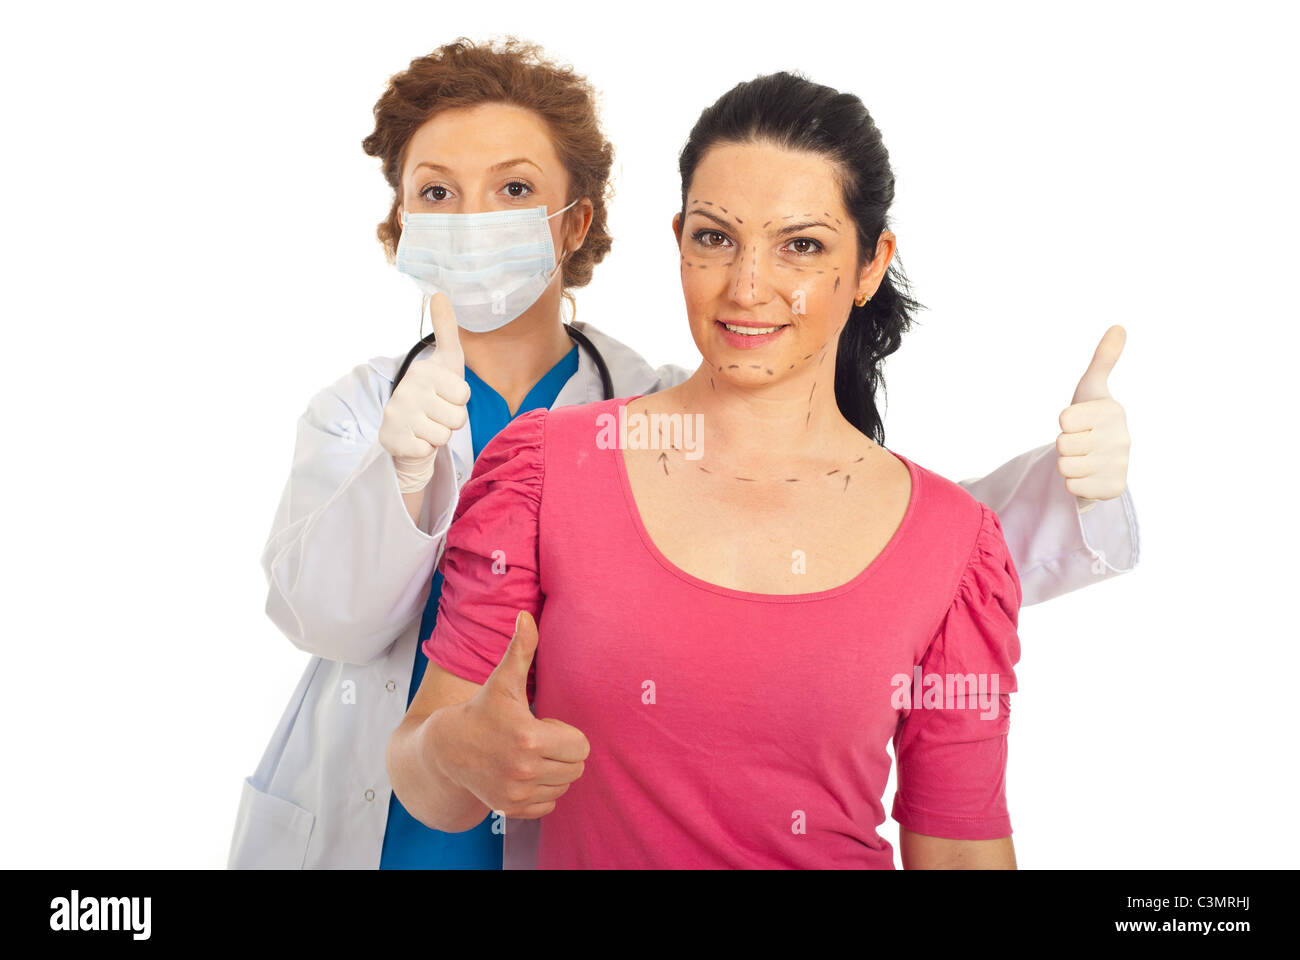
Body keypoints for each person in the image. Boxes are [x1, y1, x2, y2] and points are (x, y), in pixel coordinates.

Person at [230, 41, 1138, 870]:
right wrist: (397, 472)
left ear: (574, 222)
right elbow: (333, 623)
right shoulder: (446, 433)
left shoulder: (663, 407)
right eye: (436, 193)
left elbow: (886, 543)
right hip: (393, 826)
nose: (751, 285)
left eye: (513, 191)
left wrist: (1070, 486)